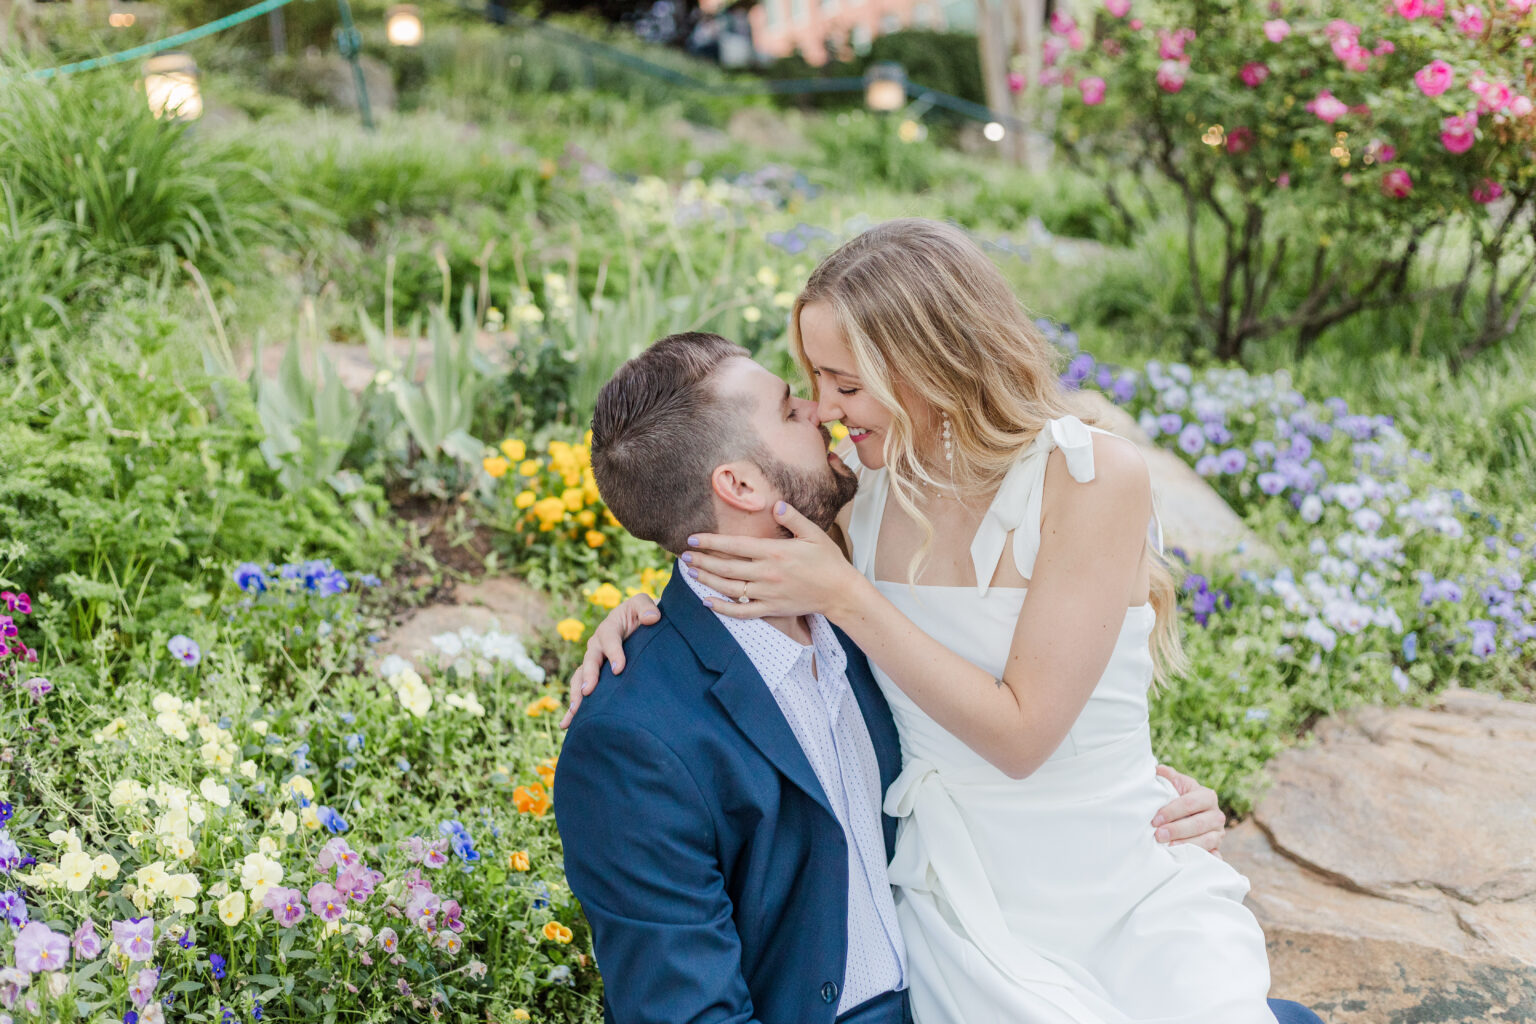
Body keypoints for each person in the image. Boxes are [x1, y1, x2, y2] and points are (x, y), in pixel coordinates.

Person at [556, 328, 1323, 1024]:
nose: (822, 413)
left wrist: (1146, 802)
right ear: (743, 487)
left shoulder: (862, 609)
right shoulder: (634, 739)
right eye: (793, 409)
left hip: (975, 967)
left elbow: (996, 717)